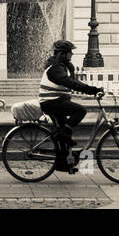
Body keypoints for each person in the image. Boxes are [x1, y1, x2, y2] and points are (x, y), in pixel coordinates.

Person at [39, 39, 103, 173]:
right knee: (80, 111)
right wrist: (92, 90)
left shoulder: (64, 67)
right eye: (70, 52)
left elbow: (74, 82)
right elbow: (71, 84)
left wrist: (92, 89)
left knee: (65, 133)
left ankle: (62, 164)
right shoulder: (56, 68)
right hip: (51, 102)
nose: (72, 54)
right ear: (63, 54)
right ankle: (62, 135)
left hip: (57, 101)